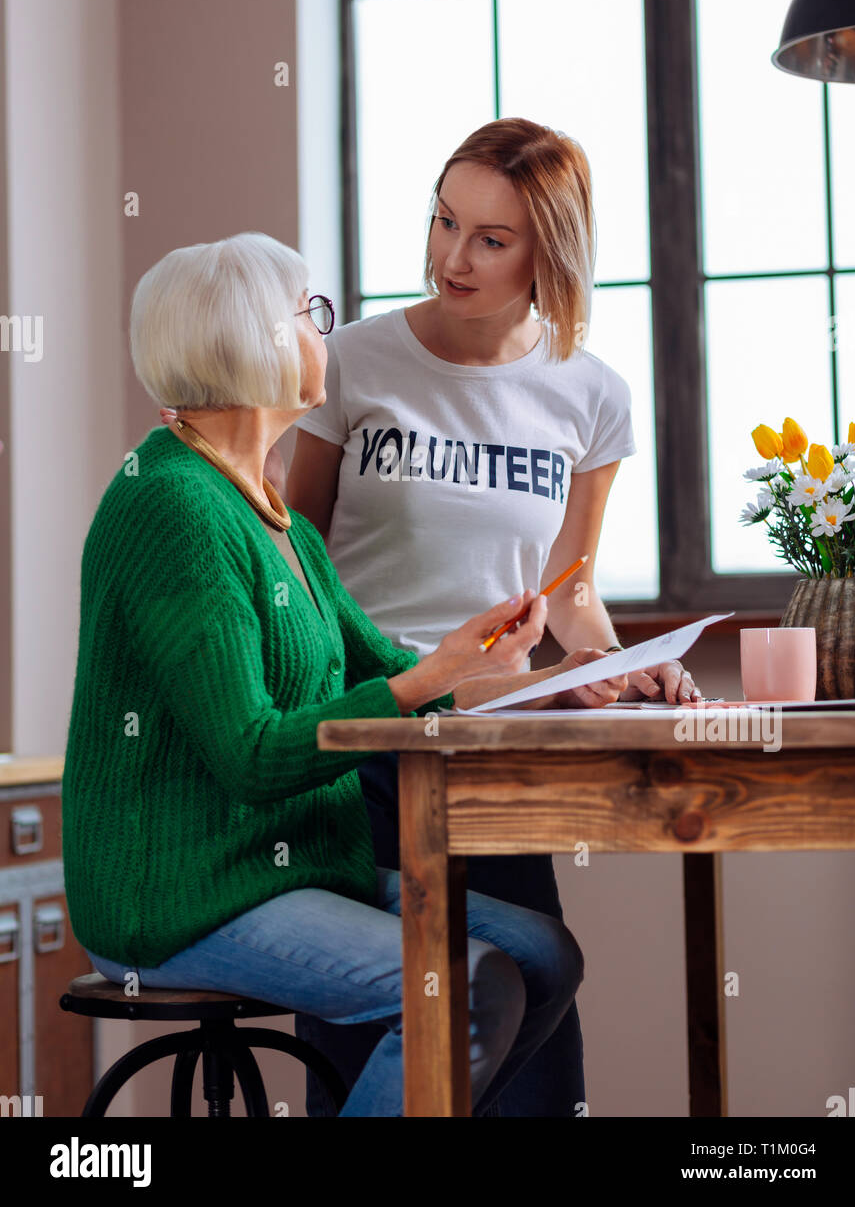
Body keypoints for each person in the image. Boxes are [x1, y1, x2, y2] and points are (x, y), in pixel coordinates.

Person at [62, 229, 632, 1118]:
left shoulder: (273, 516)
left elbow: (400, 670)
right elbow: (251, 753)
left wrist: (533, 674)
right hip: (183, 892)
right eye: (308, 315)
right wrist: (421, 680)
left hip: (287, 868)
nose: (324, 334)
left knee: (541, 956)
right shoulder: (170, 504)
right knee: (464, 983)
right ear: (249, 340)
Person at [286, 118, 703, 1116]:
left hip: (496, 751)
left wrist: (612, 661)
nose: (448, 256)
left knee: (519, 1036)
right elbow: (295, 558)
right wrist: (413, 672)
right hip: (367, 734)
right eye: (442, 221)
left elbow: (568, 587)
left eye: (488, 237)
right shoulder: (350, 361)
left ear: (545, 253)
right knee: (376, 1025)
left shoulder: (588, 393)